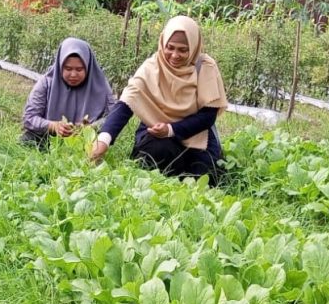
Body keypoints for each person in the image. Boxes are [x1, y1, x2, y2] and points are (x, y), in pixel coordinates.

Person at [89, 15, 228, 184]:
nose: (174, 55)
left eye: (183, 50)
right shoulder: (152, 66)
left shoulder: (205, 67)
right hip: (157, 133)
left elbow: (208, 116)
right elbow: (126, 103)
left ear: (193, 47)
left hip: (196, 135)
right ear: (163, 43)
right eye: (170, 47)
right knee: (156, 157)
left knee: (205, 178)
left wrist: (171, 129)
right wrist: (103, 140)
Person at [21, 38, 115, 148]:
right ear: (60, 65)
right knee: (27, 140)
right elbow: (29, 117)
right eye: (68, 68)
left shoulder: (100, 85)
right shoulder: (47, 82)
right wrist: (53, 126)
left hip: (85, 142)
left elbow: (113, 116)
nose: (73, 74)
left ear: (88, 67)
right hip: (50, 139)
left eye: (79, 69)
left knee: (102, 141)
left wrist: (90, 128)